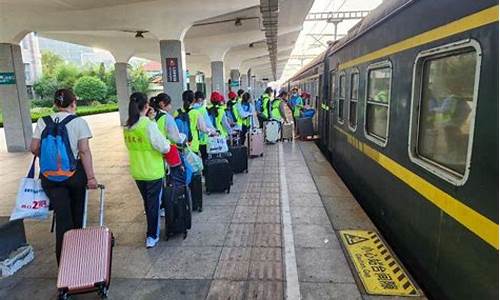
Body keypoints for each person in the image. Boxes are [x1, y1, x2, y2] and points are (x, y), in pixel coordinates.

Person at [30, 89, 97, 264]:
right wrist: (91, 178)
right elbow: (83, 151)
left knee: (62, 218)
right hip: (74, 175)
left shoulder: (43, 121)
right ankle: (77, 259)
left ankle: (63, 262)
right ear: (73, 103)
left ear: (55, 104)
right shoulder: (79, 122)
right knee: (77, 215)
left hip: (50, 178)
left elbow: (34, 147)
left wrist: (49, 158)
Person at [123, 92, 171, 248]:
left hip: (137, 171)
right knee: (153, 205)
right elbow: (164, 147)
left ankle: (152, 231)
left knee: (148, 203)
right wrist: (153, 123)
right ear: (146, 106)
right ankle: (152, 235)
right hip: (152, 171)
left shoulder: (128, 126)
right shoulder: (149, 125)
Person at [193, 91, 215, 161]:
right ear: (200, 99)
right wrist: (213, 131)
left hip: (193, 139)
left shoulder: (190, 109)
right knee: (204, 157)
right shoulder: (202, 109)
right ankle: (205, 171)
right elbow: (207, 123)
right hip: (203, 138)